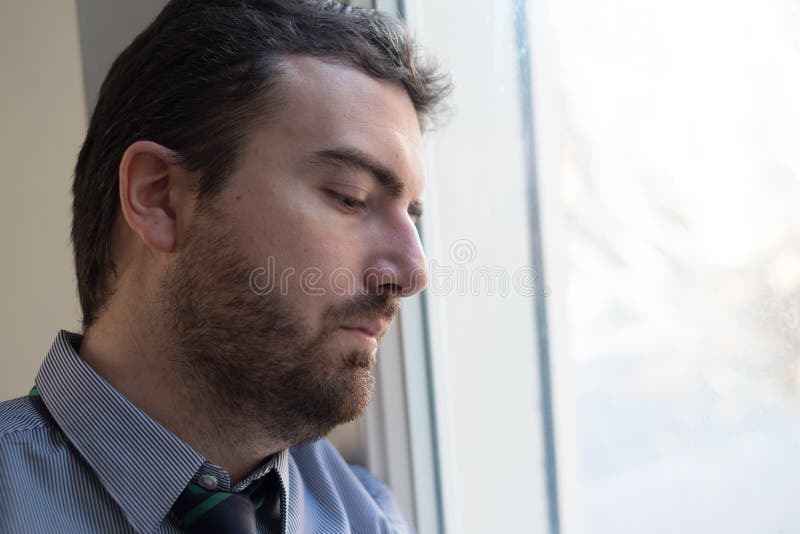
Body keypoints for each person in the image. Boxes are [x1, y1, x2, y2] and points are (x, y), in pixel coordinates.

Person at [0, 1, 450, 532]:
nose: (413, 271)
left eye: (411, 215)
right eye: (350, 198)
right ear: (159, 198)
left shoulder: (371, 516)